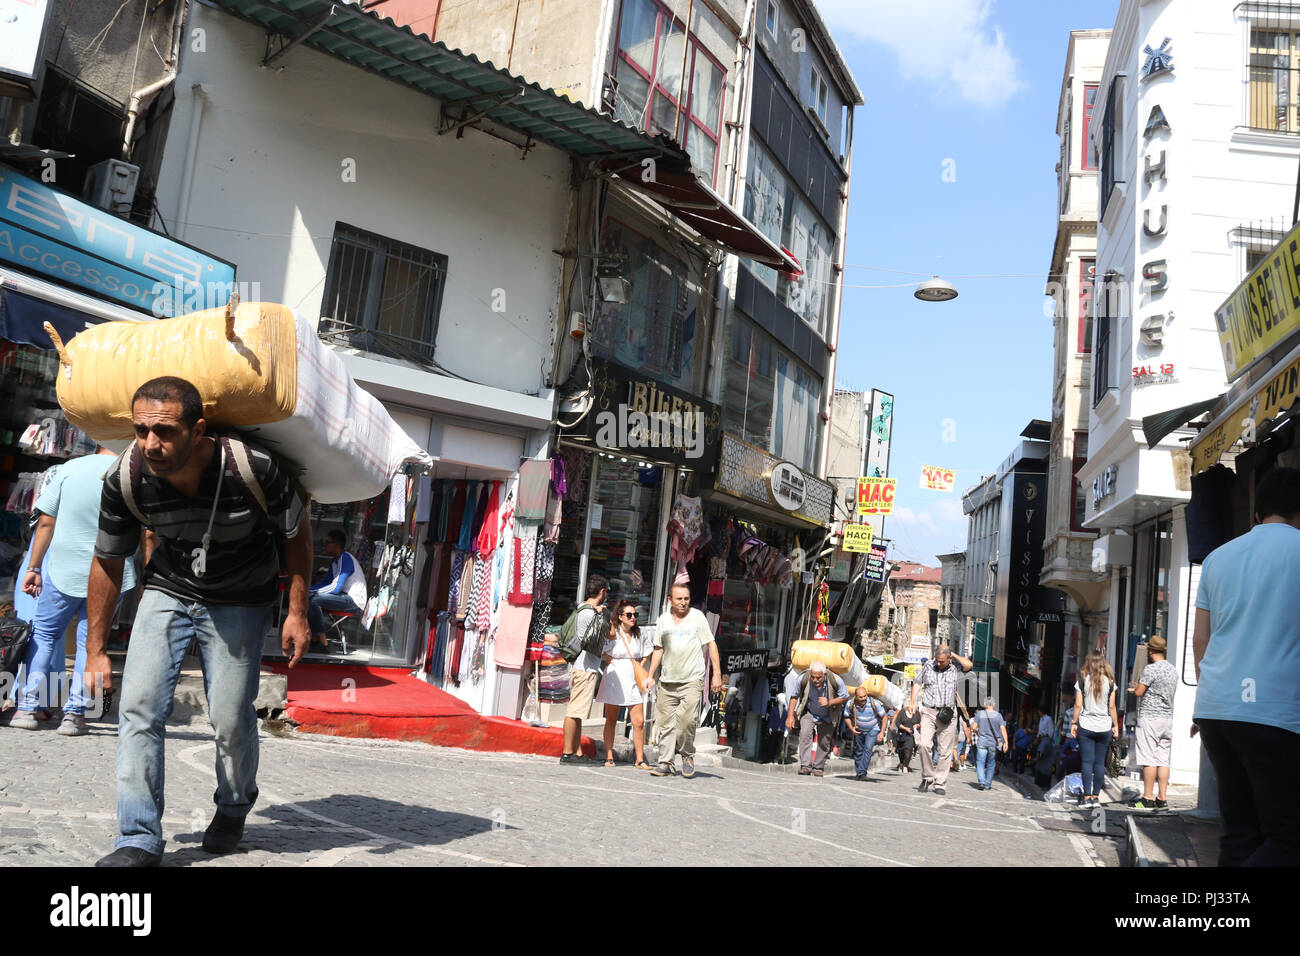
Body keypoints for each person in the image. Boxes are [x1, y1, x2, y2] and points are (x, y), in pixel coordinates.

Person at [84, 377, 311, 866]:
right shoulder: (126, 478)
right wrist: (95, 649)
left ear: (198, 429)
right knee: (139, 707)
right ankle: (138, 838)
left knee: (230, 718)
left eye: (164, 432)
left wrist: (296, 611)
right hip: (168, 587)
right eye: (141, 431)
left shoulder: (252, 469)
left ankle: (233, 805)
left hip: (243, 597)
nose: (151, 444)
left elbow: (297, 534)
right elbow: (106, 560)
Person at [1192, 467, 1300, 866]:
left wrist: (1210, 694)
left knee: (1238, 834)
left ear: (1258, 513)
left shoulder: (1218, 557)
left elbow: (1200, 640)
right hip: (1275, 712)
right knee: (1288, 840)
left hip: (1217, 709)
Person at [10, 447, 138, 735]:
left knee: (43, 634)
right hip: (110, 573)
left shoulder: (67, 470)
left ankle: (26, 707)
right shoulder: (132, 472)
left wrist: (34, 567)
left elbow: (46, 521)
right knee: (90, 643)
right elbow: (147, 529)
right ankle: (74, 715)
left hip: (63, 569)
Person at [646, 582, 721, 778]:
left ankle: (687, 755)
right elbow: (658, 649)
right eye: (679, 599)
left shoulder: (697, 617)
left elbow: (711, 645)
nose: (683, 602)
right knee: (666, 724)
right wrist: (650, 676)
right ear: (670, 600)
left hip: (692, 679)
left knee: (687, 722)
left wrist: (717, 675)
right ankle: (666, 762)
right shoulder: (663, 620)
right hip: (668, 680)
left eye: (686, 598)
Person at [909, 645, 972, 796]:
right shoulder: (929, 666)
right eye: (937, 660)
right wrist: (912, 701)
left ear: (949, 659)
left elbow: (968, 665)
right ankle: (927, 777)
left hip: (948, 714)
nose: (939, 664)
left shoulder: (955, 667)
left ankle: (940, 783)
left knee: (945, 751)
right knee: (923, 744)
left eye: (942, 661)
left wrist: (953, 654)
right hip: (929, 711)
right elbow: (917, 682)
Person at [598, 599, 652, 769]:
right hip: (615, 676)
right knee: (612, 719)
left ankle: (640, 759)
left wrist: (639, 666)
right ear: (620, 617)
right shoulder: (613, 632)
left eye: (635, 614)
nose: (633, 617)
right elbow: (602, 649)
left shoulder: (640, 633)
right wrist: (610, 661)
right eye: (629, 615)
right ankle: (609, 755)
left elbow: (649, 650)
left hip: (633, 677)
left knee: (639, 721)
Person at [560, 574, 607, 764]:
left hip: (580, 666)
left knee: (577, 713)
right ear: (602, 592)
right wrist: (602, 618)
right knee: (574, 711)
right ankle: (567, 753)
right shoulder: (590, 613)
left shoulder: (582, 608)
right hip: (585, 668)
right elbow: (600, 640)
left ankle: (577, 752)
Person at [1129, 635, 1176, 810]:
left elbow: (1140, 692)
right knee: (1163, 759)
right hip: (1167, 718)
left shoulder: (1151, 669)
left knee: (1149, 758)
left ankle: (1147, 798)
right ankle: (1162, 798)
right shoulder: (1173, 670)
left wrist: (1135, 688)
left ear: (1150, 651)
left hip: (1150, 717)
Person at [1071, 648, 1119, 808]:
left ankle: (1086, 797)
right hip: (1104, 726)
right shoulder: (1111, 683)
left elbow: (1078, 704)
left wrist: (1074, 723)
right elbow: (1112, 707)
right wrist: (1116, 726)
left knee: (1087, 762)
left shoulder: (1083, 680)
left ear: (1089, 662)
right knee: (1099, 763)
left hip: (1086, 725)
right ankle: (1095, 797)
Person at [307, 529, 367, 650]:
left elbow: (336, 588)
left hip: (353, 601)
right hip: (343, 596)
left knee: (314, 600)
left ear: (337, 545)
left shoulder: (345, 559)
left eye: (328, 542)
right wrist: (307, 590)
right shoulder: (335, 561)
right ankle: (314, 637)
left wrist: (311, 592)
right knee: (310, 598)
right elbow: (326, 583)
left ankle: (321, 640)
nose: (325, 545)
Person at [786, 660, 848, 777]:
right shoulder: (804, 678)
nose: (815, 680)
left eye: (818, 678)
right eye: (813, 677)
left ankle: (818, 768)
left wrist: (829, 702)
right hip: (809, 711)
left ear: (824, 675)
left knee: (824, 742)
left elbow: (845, 696)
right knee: (804, 735)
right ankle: (805, 766)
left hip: (829, 714)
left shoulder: (836, 680)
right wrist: (790, 716)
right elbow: (794, 696)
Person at [849, 685, 888, 780]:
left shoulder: (875, 703)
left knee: (868, 749)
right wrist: (851, 728)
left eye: (865, 696)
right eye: (861, 697)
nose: (863, 699)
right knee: (858, 751)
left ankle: (862, 773)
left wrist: (882, 733)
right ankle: (859, 772)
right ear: (856, 697)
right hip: (858, 729)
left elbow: (884, 717)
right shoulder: (851, 704)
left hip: (873, 729)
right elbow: (846, 716)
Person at [973, 698, 1007, 791]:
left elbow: (974, 727)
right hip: (993, 743)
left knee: (980, 762)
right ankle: (987, 784)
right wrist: (1006, 743)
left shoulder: (980, 714)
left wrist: (978, 732)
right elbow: (1003, 729)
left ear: (984, 704)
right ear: (994, 704)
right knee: (991, 763)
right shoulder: (998, 715)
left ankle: (981, 782)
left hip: (982, 742)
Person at [894, 701, 920, 772]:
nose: (913, 708)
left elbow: (920, 723)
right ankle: (901, 763)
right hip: (902, 734)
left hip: (911, 735)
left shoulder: (917, 713)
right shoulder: (902, 712)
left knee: (908, 750)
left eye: (914, 706)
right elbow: (897, 722)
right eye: (911, 706)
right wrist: (905, 728)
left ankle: (905, 766)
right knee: (901, 751)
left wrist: (917, 726)